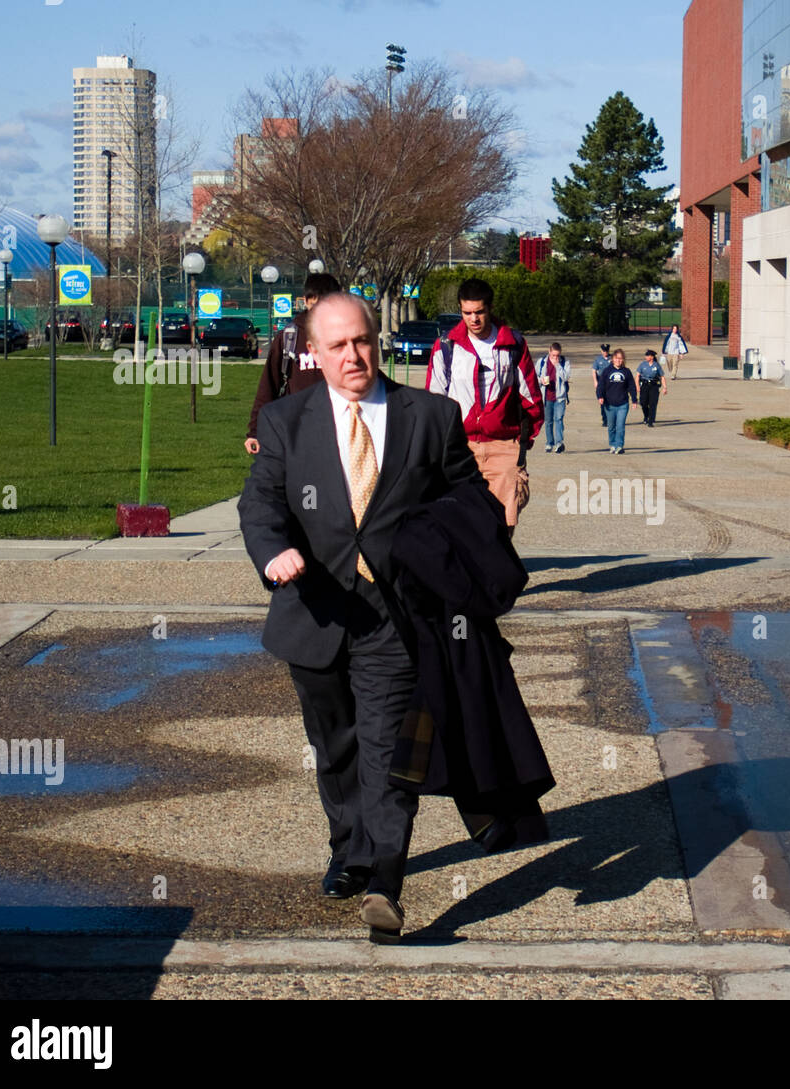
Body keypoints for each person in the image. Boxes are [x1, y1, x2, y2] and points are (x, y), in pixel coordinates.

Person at [238, 291, 496, 943]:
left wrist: (452, 557)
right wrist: (275, 554)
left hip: (396, 616)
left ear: (374, 340)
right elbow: (260, 504)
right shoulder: (285, 422)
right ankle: (348, 848)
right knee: (336, 745)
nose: (353, 356)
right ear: (313, 353)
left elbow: (468, 497)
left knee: (389, 748)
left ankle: (385, 877)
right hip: (315, 609)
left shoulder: (430, 416)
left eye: (362, 341)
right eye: (338, 346)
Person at [426, 278, 543, 535]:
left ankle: (496, 574)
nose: (474, 319)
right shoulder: (446, 347)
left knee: (501, 526)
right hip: (459, 448)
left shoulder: (512, 344)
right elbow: (434, 403)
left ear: (490, 308)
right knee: (459, 524)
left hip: (504, 447)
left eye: (479, 312)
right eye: (467, 313)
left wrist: (521, 443)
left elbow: (531, 398)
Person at [244, 272, 343, 454]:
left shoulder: (347, 337)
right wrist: (255, 431)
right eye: (315, 305)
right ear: (305, 302)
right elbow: (269, 385)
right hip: (297, 430)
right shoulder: (289, 337)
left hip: (340, 430)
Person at [596, 348, 637, 454]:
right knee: (611, 426)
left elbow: (631, 386)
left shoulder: (626, 372)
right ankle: (613, 444)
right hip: (609, 404)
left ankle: (619, 445)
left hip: (622, 404)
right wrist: (600, 396)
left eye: (621, 359)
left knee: (620, 425)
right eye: (617, 358)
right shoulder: (607, 371)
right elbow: (601, 386)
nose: (619, 360)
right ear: (613, 359)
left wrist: (634, 400)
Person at [536, 341, 571, 453]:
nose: (555, 357)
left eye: (557, 355)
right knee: (548, 421)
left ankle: (559, 443)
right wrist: (540, 380)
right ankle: (549, 443)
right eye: (553, 355)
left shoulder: (565, 362)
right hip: (546, 396)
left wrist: (558, 366)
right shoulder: (542, 362)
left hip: (560, 397)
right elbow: (533, 377)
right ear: (549, 352)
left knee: (559, 419)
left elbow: (566, 377)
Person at [636, 348, 667, 427]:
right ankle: (646, 416)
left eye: (648, 355)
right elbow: (637, 376)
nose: (646, 357)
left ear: (652, 357)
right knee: (643, 403)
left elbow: (662, 376)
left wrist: (665, 387)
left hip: (654, 386)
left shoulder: (656, 365)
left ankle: (650, 421)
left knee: (653, 403)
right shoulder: (642, 364)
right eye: (646, 355)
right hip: (644, 385)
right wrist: (637, 386)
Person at [592, 343, 613, 427]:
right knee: (602, 401)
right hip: (601, 381)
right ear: (601, 351)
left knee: (611, 401)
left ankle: (610, 419)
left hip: (611, 382)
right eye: (604, 351)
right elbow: (594, 370)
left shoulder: (612, 358)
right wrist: (595, 381)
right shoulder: (598, 359)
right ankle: (605, 419)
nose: (605, 352)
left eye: (607, 350)